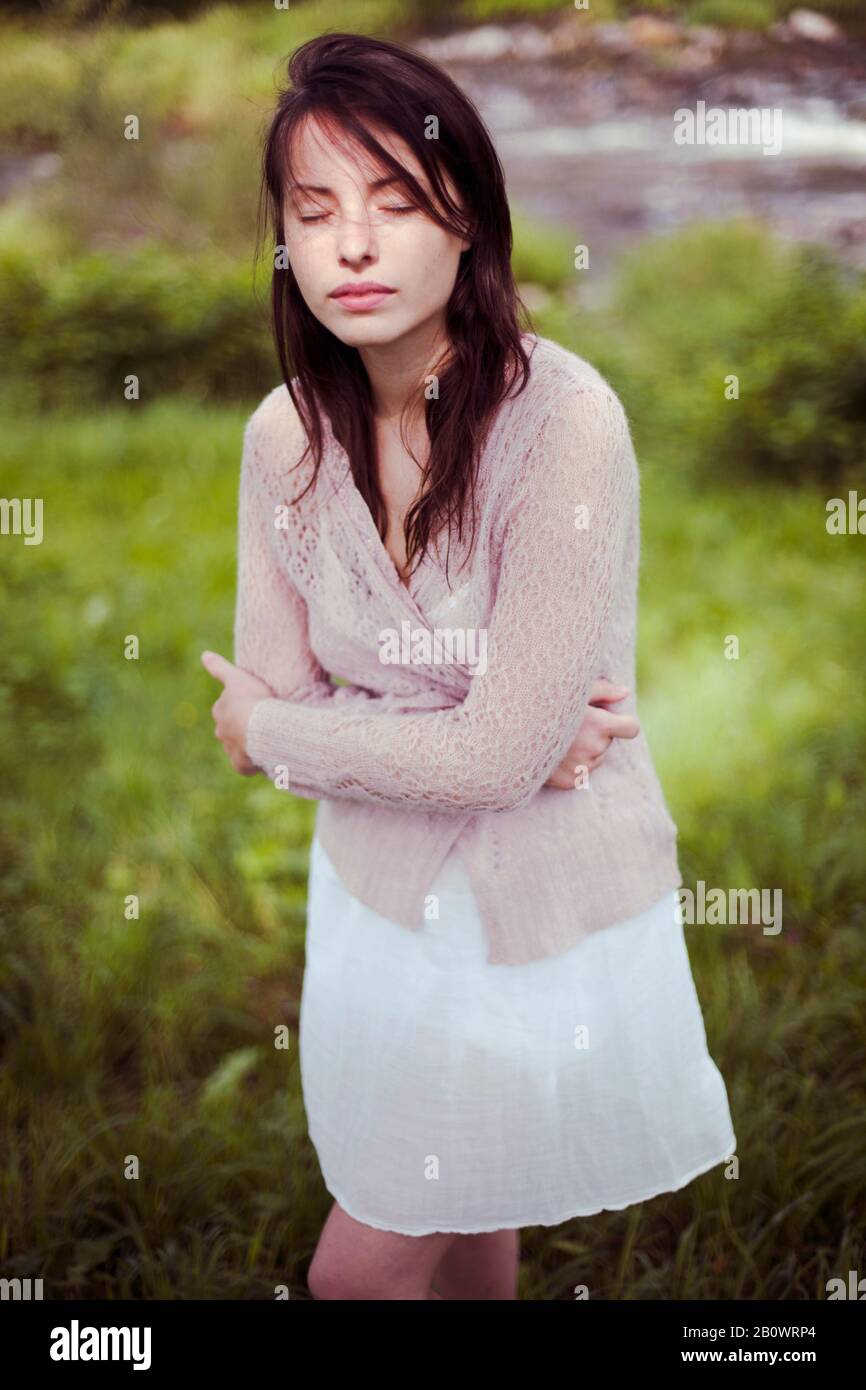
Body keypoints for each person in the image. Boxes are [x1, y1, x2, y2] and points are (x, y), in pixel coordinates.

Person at [201, 32, 736, 1301]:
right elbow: (446, 734)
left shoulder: (562, 423)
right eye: (315, 209)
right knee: (464, 1220)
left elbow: (279, 722)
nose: (353, 244)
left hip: (533, 906)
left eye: (395, 202)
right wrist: (479, 737)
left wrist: (291, 734)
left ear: (468, 223)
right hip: (378, 894)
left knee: (360, 1273)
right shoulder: (283, 436)